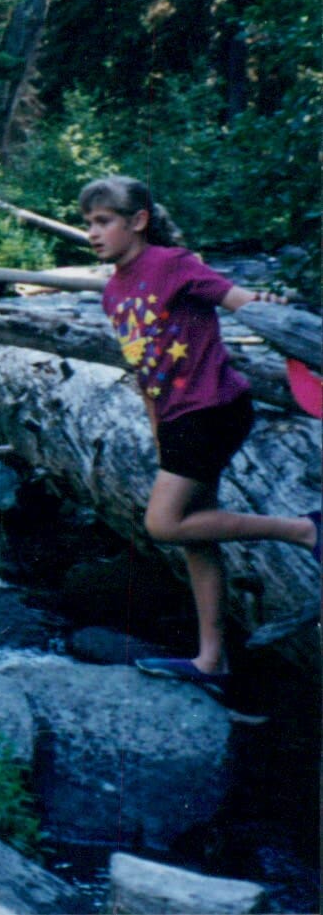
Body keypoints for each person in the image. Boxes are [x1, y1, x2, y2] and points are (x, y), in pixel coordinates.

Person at [81, 175, 322, 701]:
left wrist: (265, 302)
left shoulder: (173, 264)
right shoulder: (114, 291)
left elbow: (240, 300)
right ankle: (211, 659)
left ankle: (306, 530)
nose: (93, 233)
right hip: (175, 419)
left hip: (213, 408)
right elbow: (143, 368)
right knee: (195, 536)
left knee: (164, 524)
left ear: (138, 220)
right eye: (88, 224)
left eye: (104, 221)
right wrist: (155, 427)